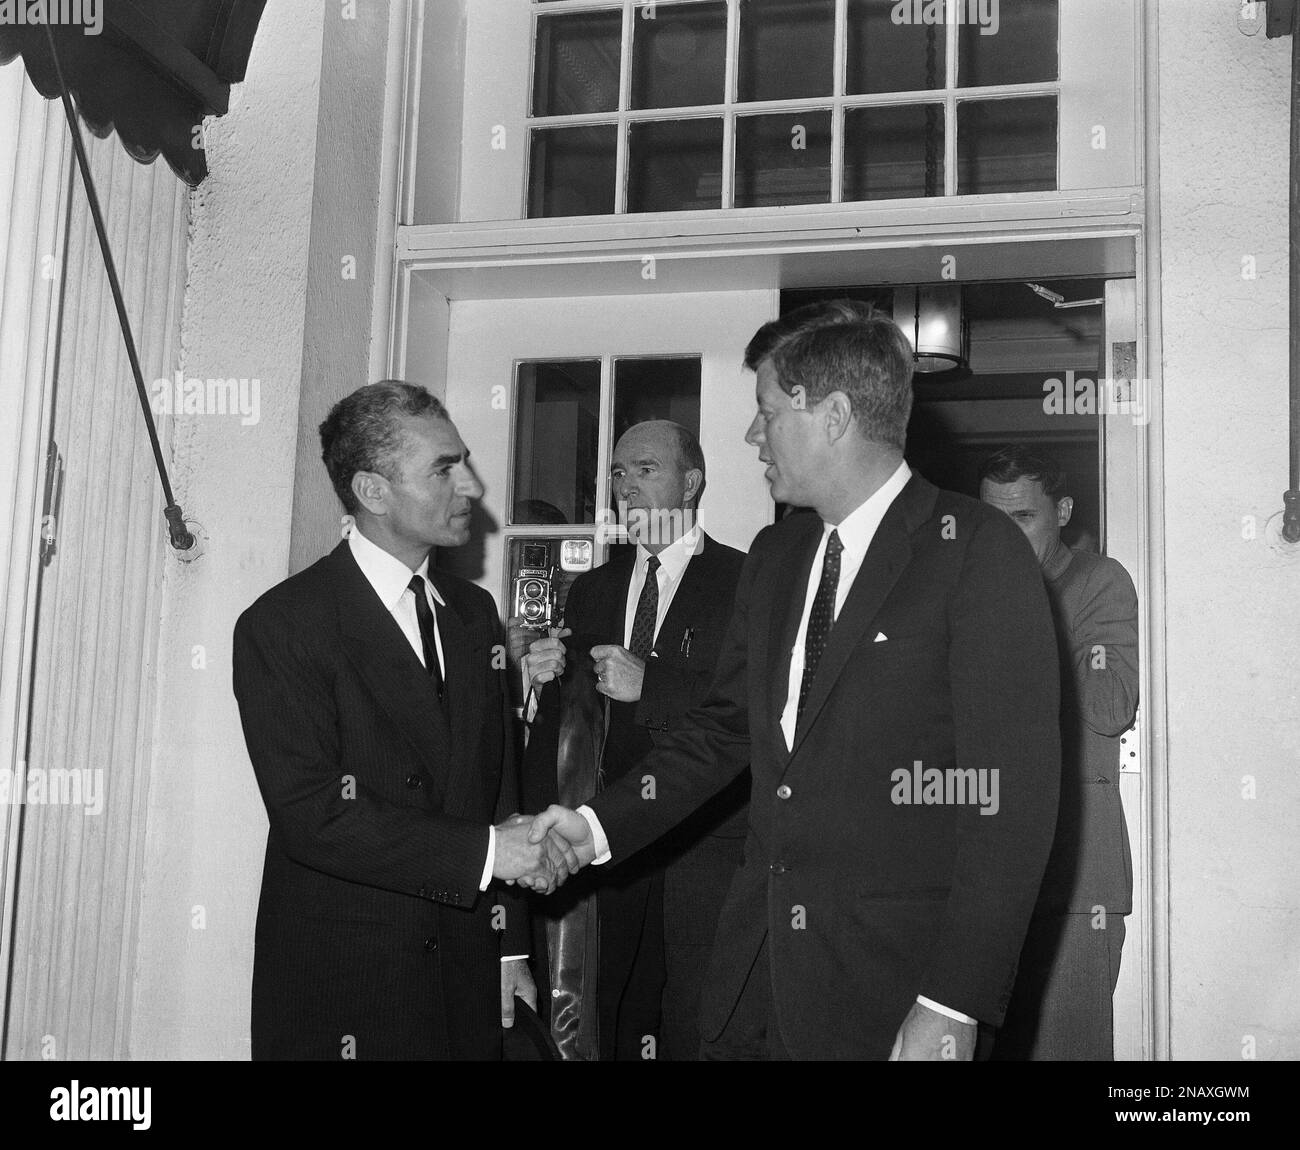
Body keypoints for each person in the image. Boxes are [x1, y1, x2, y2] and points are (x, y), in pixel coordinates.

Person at [529, 301, 1063, 1060]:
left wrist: (954, 1000)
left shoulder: (977, 552)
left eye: (769, 412)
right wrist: (596, 828)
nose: (753, 436)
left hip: (895, 988)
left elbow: (1010, 802)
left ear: (835, 414)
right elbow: (723, 735)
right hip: (752, 973)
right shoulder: (777, 558)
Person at [232, 381, 565, 1060]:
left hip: (467, 974)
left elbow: (497, 788)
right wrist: (489, 854)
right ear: (374, 492)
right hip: (348, 987)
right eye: (444, 468)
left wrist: (510, 952)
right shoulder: (284, 625)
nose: (471, 484)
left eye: (464, 461)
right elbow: (315, 815)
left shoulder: (473, 615)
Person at [517, 420, 748, 1060]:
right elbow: (573, 724)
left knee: (699, 1025)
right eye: (619, 473)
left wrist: (658, 685)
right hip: (609, 845)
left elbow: (762, 713)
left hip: (707, 846)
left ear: (692, 482)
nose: (627, 487)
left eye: (646, 469)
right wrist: (547, 680)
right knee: (608, 1016)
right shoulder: (590, 588)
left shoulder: (748, 581)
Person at [979, 445, 1139, 1060]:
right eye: (993, 518)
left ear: (1063, 511)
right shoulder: (976, 591)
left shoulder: (1098, 581)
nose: (1006, 535)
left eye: (1023, 517)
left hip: (1074, 884)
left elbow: (1110, 705)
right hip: (987, 876)